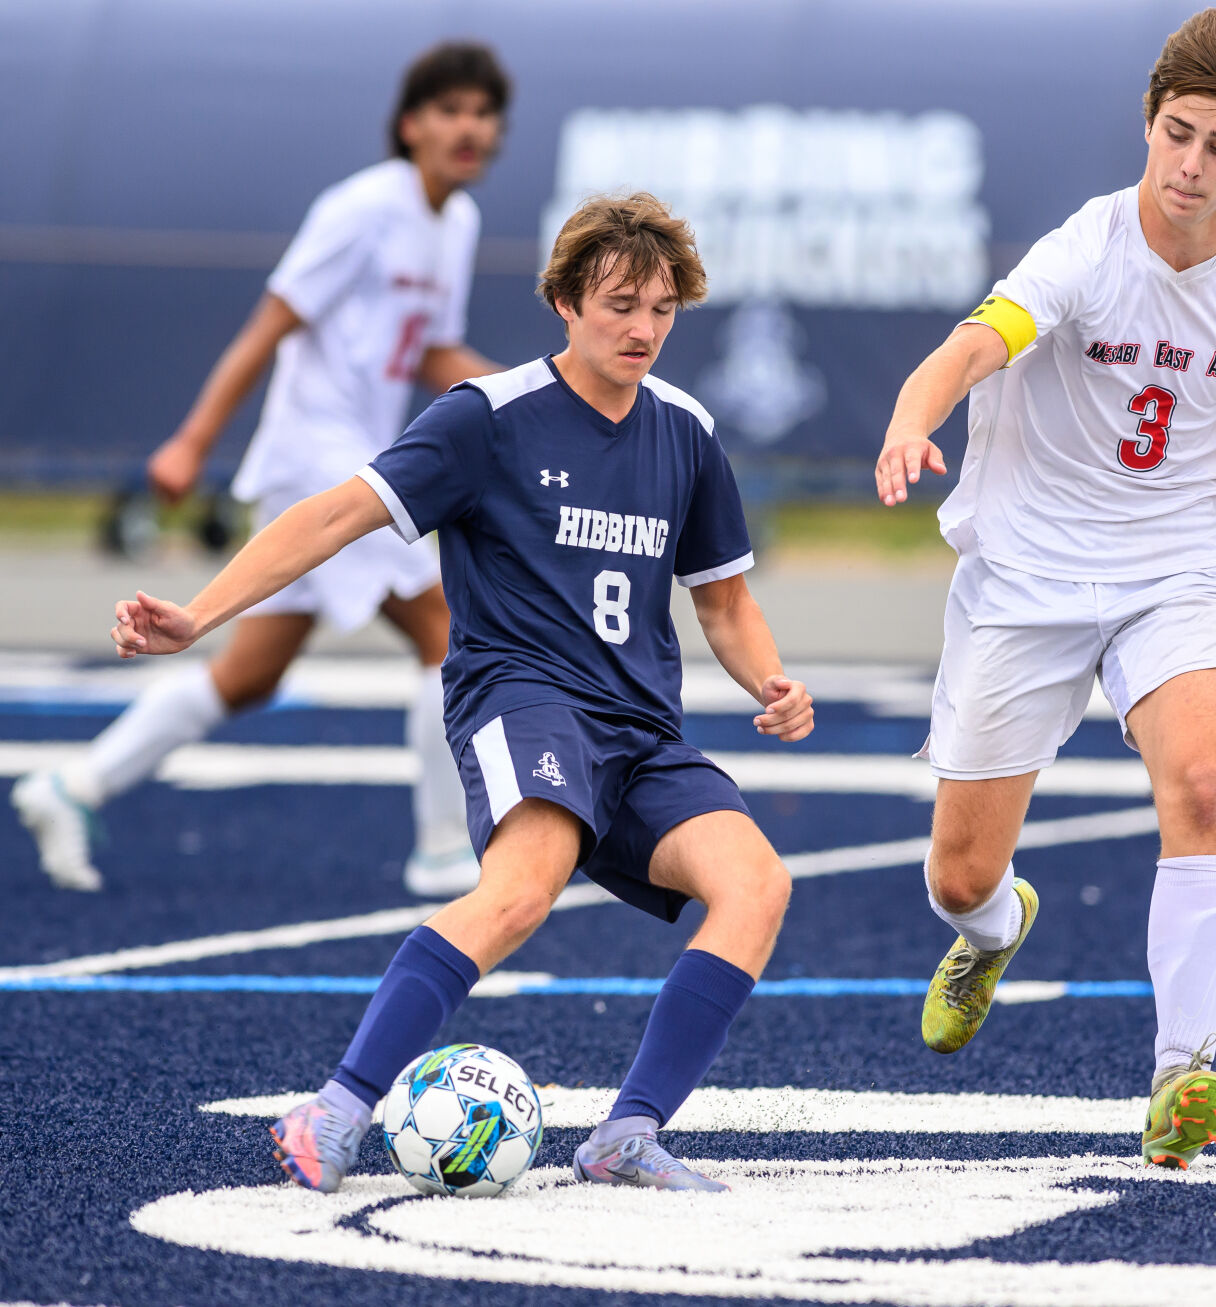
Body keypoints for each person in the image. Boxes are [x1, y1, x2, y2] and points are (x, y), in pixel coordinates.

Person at [109, 192, 813, 1194]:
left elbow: (727, 601)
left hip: (641, 733)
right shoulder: (488, 416)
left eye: (662, 309)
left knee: (758, 885)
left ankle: (628, 1133)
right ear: (567, 300)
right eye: (621, 302)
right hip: (521, 698)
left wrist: (771, 679)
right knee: (525, 885)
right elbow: (334, 514)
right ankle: (337, 1107)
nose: (643, 328)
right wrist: (201, 613)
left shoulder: (688, 433)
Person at [873, 9, 1216, 1171]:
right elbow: (977, 343)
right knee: (960, 870)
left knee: (1203, 779)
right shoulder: (1083, 249)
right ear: (1149, 121)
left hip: (1176, 568)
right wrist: (912, 419)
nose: (1189, 165)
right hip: (1026, 574)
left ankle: (1186, 1070)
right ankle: (992, 928)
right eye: (1177, 133)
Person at [11, 42, 512, 898]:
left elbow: (431, 351)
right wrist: (192, 440)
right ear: (410, 124)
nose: (468, 127)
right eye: (450, 110)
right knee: (450, 628)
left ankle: (72, 784)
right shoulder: (359, 208)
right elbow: (266, 329)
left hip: (354, 461)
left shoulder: (455, 224)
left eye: (482, 112)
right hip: (317, 463)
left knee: (249, 674)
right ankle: (441, 854)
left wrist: (535, 399)